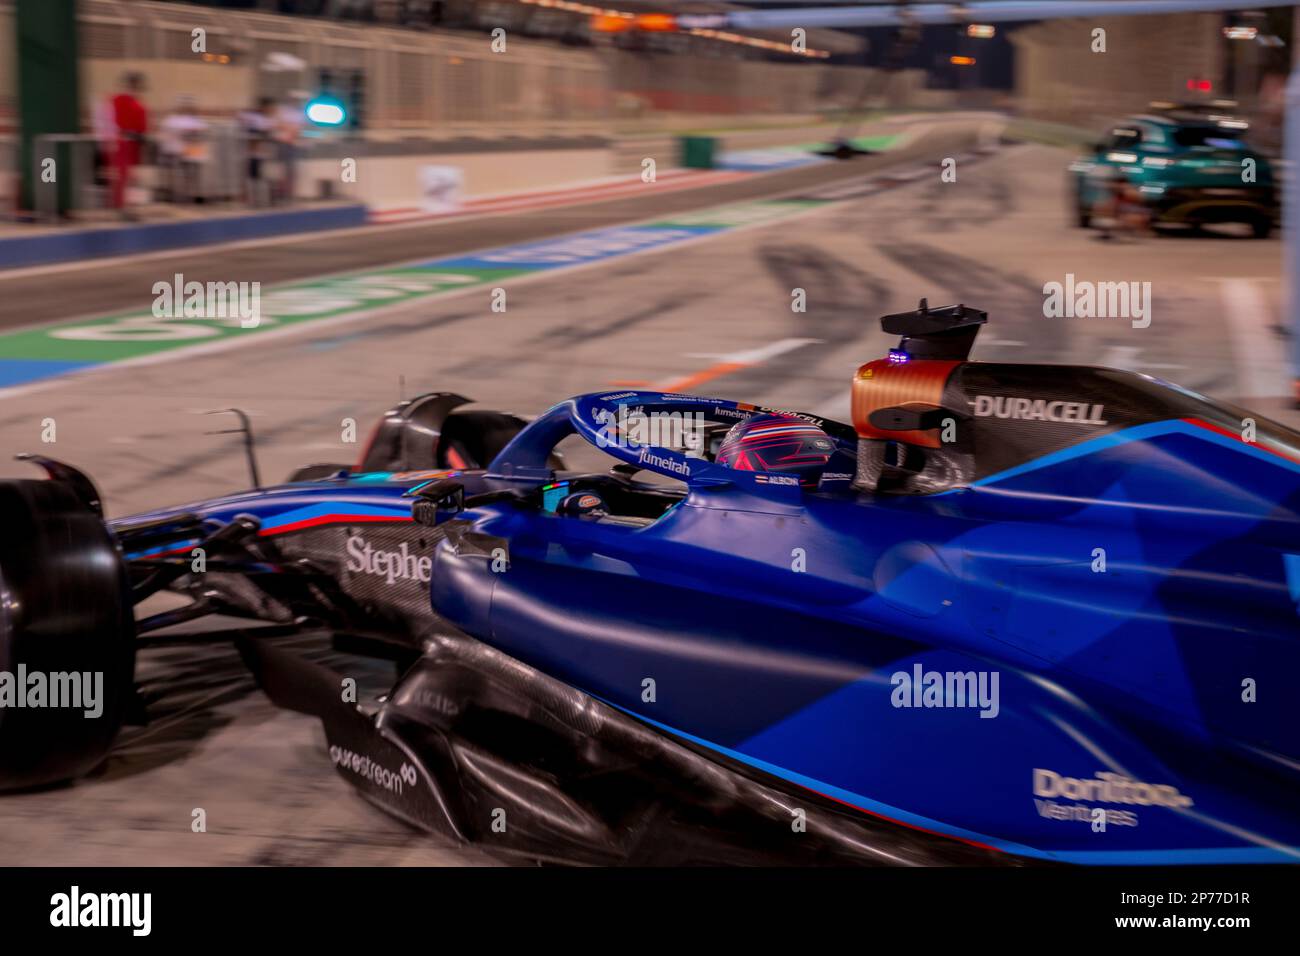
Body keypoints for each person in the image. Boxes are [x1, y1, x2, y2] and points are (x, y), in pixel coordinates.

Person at [110, 73, 149, 216]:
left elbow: (142, 128)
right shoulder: (118, 101)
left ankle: (128, 206)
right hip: (122, 143)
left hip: (132, 144)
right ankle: (122, 206)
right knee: (123, 175)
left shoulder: (138, 105)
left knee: (130, 176)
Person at [159, 95, 209, 203]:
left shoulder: (195, 119)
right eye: (184, 106)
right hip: (176, 150)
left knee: (191, 174)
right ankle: (175, 195)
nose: (186, 108)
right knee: (178, 174)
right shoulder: (172, 119)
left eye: (188, 106)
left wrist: (192, 135)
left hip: (192, 151)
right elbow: (168, 132)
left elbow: (202, 131)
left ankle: (190, 195)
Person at [238, 97, 277, 206]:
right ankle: (253, 200)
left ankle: (265, 199)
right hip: (254, 153)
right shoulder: (255, 118)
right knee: (253, 175)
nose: (270, 110)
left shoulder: (269, 120)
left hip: (265, 153)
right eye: (268, 108)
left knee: (264, 176)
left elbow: (270, 135)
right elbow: (250, 131)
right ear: (263, 107)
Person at [273, 93, 307, 203]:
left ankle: (289, 194)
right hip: (282, 143)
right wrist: (289, 129)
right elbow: (278, 125)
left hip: (292, 144)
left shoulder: (299, 114)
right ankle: (281, 193)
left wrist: (293, 132)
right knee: (282, 169)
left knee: (292, 170)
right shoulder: (282, 111)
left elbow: (299, 130)